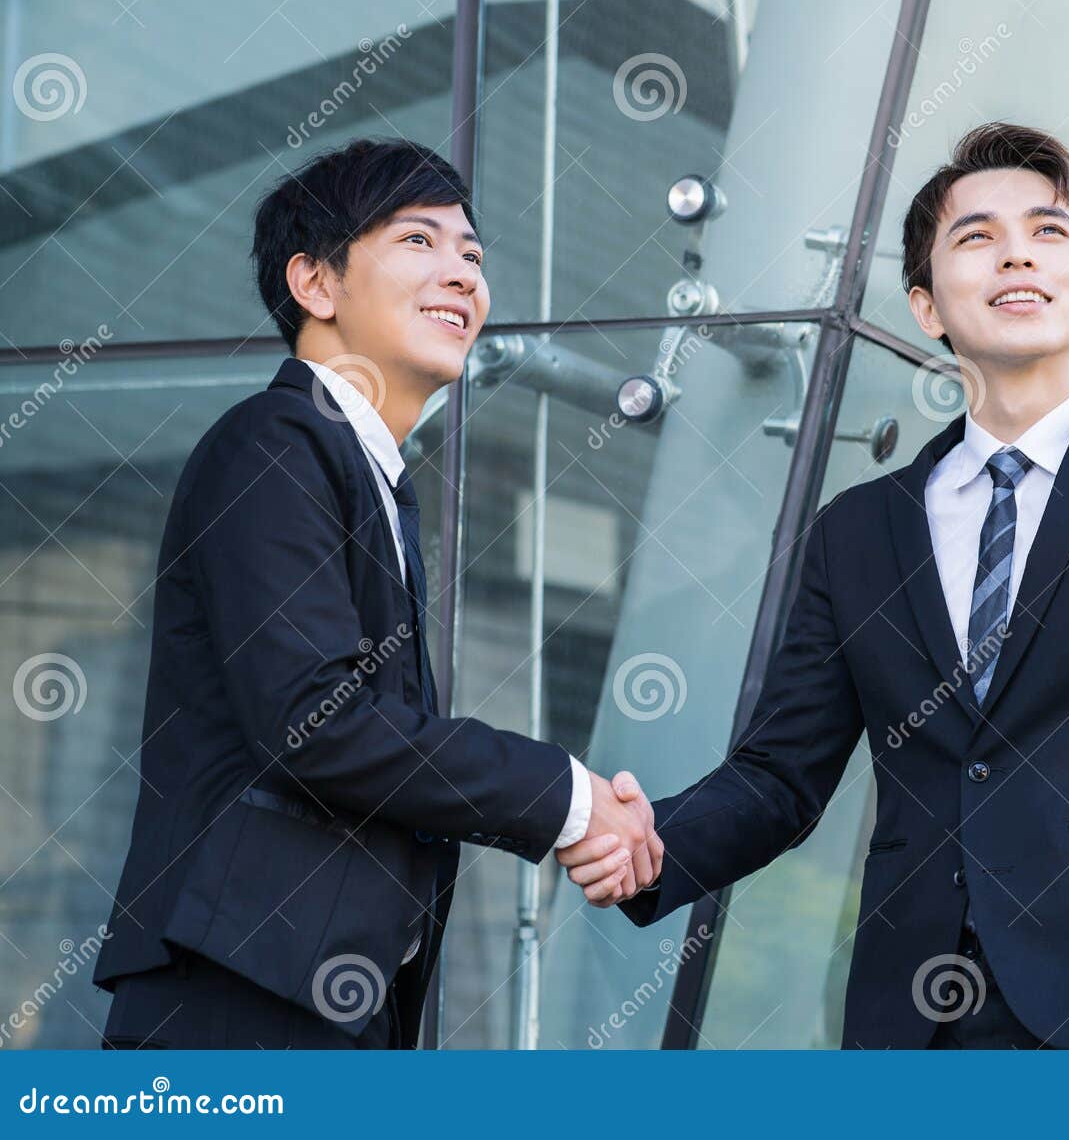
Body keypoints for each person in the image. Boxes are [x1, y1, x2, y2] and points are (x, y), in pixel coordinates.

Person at [560, 122, 1069, 1050]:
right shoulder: (860, 529)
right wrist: (650, 844)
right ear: (926, 306)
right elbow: (781, 776)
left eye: (1048, 232)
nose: (1015, 256)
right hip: (908, 1026)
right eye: (976, 237)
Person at [94, 138, 660, 1050]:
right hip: (237, 1002)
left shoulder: (367, 474)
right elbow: (319, 719)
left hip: (313, 1000)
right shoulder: (274, 443)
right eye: (417, 242)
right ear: (315, 283)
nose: (462, 276)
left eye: (473, 255)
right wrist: (565, 796)